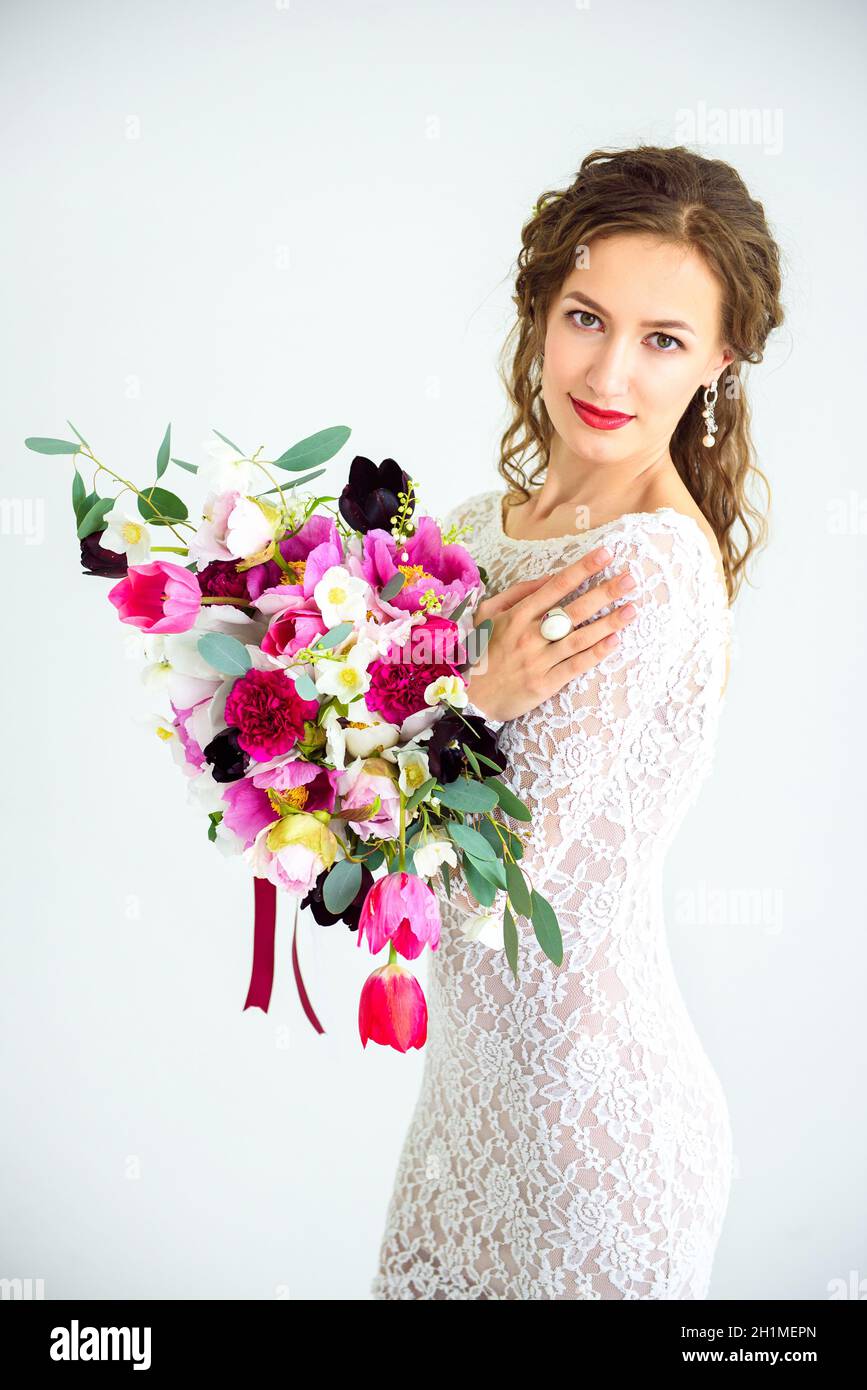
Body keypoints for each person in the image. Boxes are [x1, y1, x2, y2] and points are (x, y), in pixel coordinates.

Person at [370, 144, 784, 1300]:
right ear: (539, 313)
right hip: (465, 1110)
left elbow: (487, 892)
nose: (609, 370)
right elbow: (372, 753)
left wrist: (469, 701)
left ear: (720, 361)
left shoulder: (644, 568)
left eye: (663, 339)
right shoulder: (468, 524)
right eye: (585, 317)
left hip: (591, 1136)